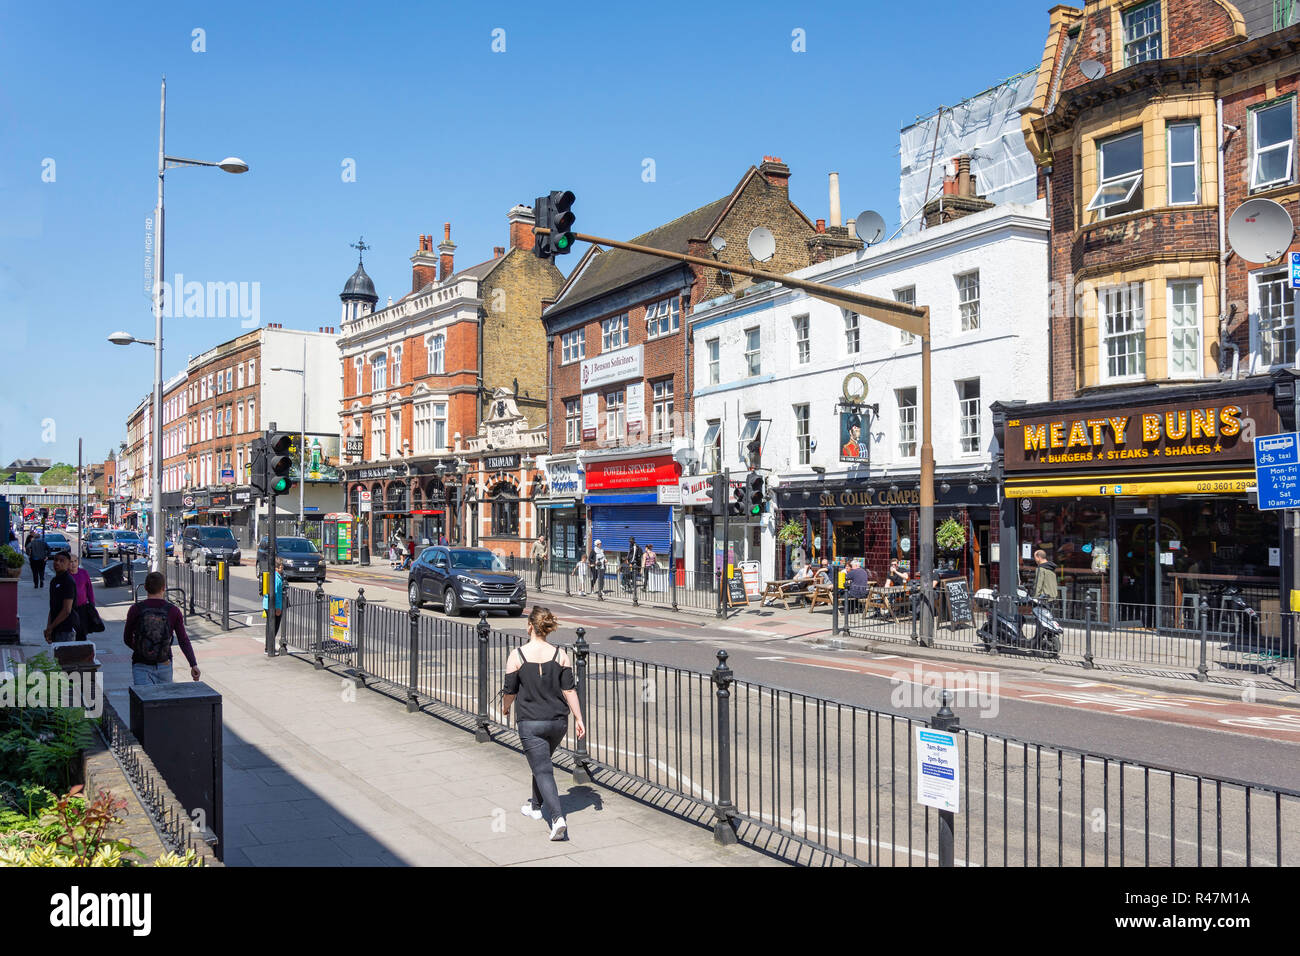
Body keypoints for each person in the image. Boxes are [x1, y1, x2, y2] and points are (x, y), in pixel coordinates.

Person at [501, 607, 585, 841]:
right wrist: (578, 718)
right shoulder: (561, 655)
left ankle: (558, 819)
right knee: (541, 763)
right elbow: (569, 690)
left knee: (542, 768)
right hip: (558, 721)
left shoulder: (517, 655)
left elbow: (510, 691)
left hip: (531, 721)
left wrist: (506, 707)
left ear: (530, 626)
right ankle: (536, 807)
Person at [123, 571, 200, 685]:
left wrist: (142, 649)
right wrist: (193, 664)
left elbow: (127, 638)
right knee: (164, 700)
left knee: (143, 700)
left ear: (145, 587)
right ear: (164, 588)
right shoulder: (173, 611)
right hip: (164, 663)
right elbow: (183, 640)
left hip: (141, 664)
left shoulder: (135, 609)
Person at [44, 552, 78, 643]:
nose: (57, 563)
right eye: (56, 560)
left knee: (64, 656)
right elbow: (53, 607)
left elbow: (67, 610)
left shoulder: (68, 581)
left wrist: (51, 627)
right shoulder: (54, 581)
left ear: (68, 564)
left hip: (66, 630)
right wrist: (48, 628)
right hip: (55, 628)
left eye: (62, 561)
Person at [68, 552, 97, 640]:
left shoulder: (83, 573)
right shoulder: (66, 575)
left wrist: (92, 603)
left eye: (75, 561)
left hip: (82, 607)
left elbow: (89, 589)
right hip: (69, 608)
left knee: (82, 631)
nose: (73, 564)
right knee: (72, 631)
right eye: (71, 562)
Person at [263, 557, 286, 639]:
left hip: (267, 604)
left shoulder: (271, 575)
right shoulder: (276, 578)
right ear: (277, 567)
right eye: (281, 566)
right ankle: (270, 646)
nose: (283, 567)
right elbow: (275, 593)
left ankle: (268, 646)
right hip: (274, 606)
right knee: (274, 627)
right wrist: (278, 608)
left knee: (270, 626)